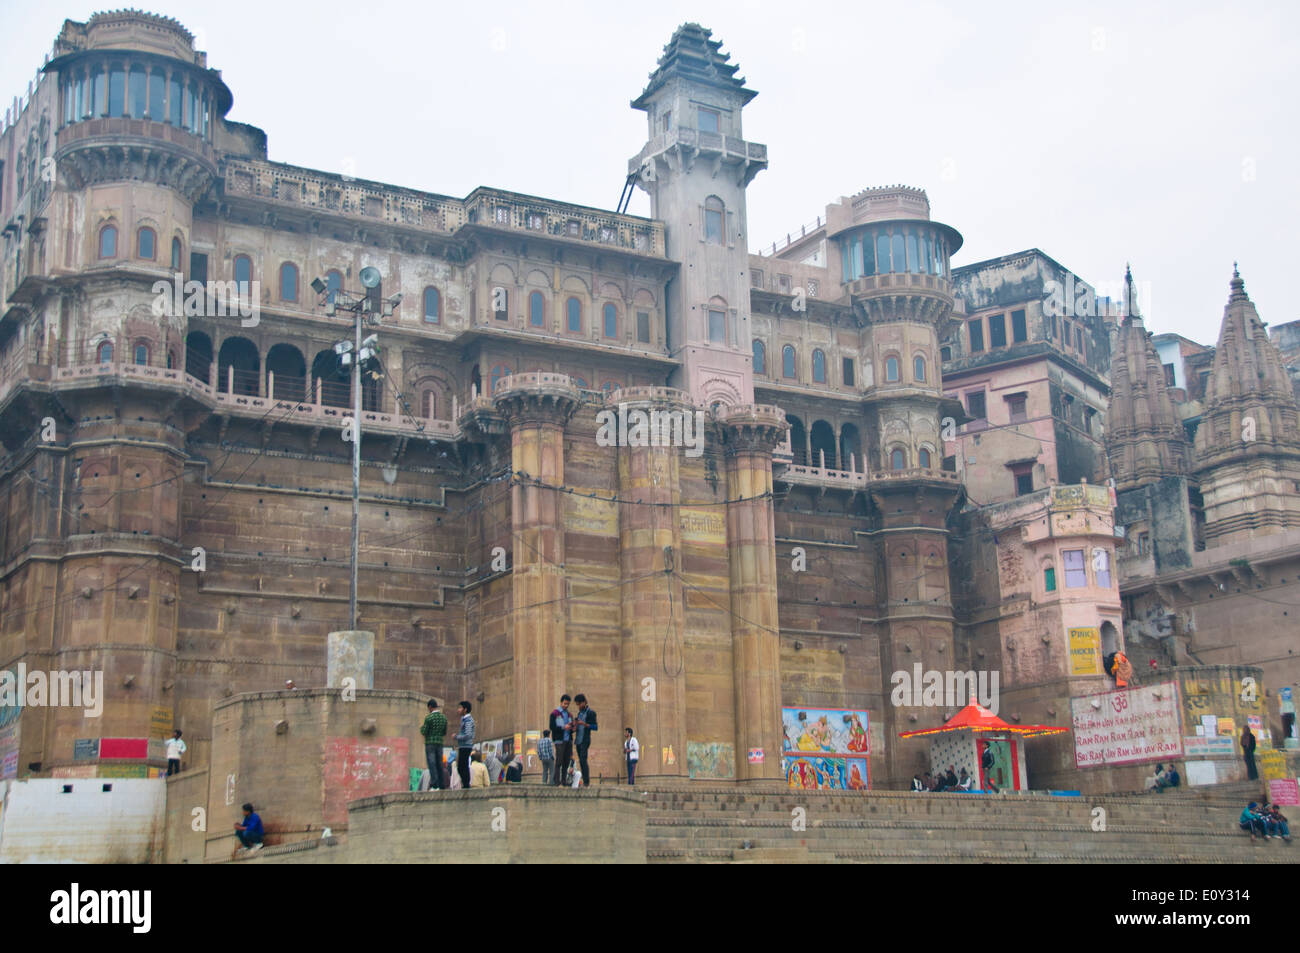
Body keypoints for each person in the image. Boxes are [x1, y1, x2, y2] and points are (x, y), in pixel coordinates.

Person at [420, 699, 447, 790]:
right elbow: (444, 732)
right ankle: (441, 784)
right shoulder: (444, 718)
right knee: (439, 763)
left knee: (431, 763)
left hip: (430, 743)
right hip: (439, 743)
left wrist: (422, 728)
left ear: (430, 707)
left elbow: (424, 731)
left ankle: (434, 784)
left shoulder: (429, 718)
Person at [573, 694, 598, 787]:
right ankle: (584, 780)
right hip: (578, 740)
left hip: (585, 739)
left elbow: (595, 727)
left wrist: (584, 724)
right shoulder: (579, 714)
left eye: (579, 704)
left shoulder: (590, 713)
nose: (578, 706)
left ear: (584, 702)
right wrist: (575, 725)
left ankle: (586, 781)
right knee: (581, 760)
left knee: (583, 760)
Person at [549, 695, 574, 786]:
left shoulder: (569, 714)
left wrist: (572, 728)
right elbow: (552, 727)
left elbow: (571, 727)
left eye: (567, 704)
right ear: (561, 702)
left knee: (566, 761)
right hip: (559, 740)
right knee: (559, 761)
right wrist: (564, 727)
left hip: (568, 740)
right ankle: (557, 781)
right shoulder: (555, 713)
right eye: (565, 703)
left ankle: (564, 781)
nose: (566, 705)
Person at [455, 701, 475, 789]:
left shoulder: (468, 720)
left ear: (465, 709)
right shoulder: (463, 719)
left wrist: (457, 737)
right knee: (461, 766)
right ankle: (465, 784)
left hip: (466, 746)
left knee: (462, 766)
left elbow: (468, 735)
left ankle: (466, 784)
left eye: (460, 708)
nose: (458, 710)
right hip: (463, 746)